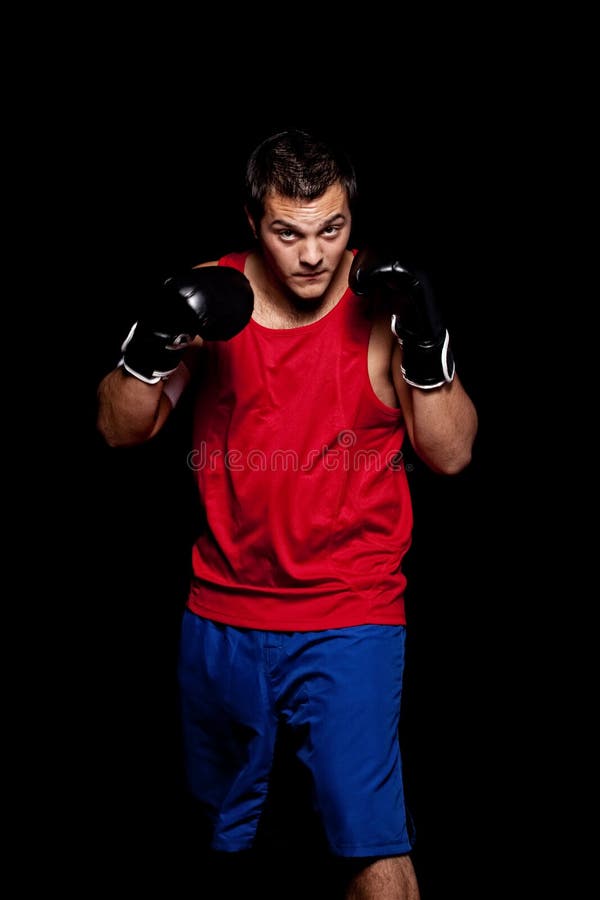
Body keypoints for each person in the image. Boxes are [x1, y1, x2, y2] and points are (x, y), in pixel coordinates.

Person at [96, 128, 478, 899]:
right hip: (221, 611)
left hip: (350, 614)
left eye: (331, 229)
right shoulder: (211, 294)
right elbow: (118, 427)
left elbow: (452, 454)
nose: (312, 254)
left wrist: (428, 351)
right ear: (253, 221)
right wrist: (151, 342)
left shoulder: (387, 300)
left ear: (351, 220)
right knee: (213, 840)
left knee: (374, 850)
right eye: (289, 232)